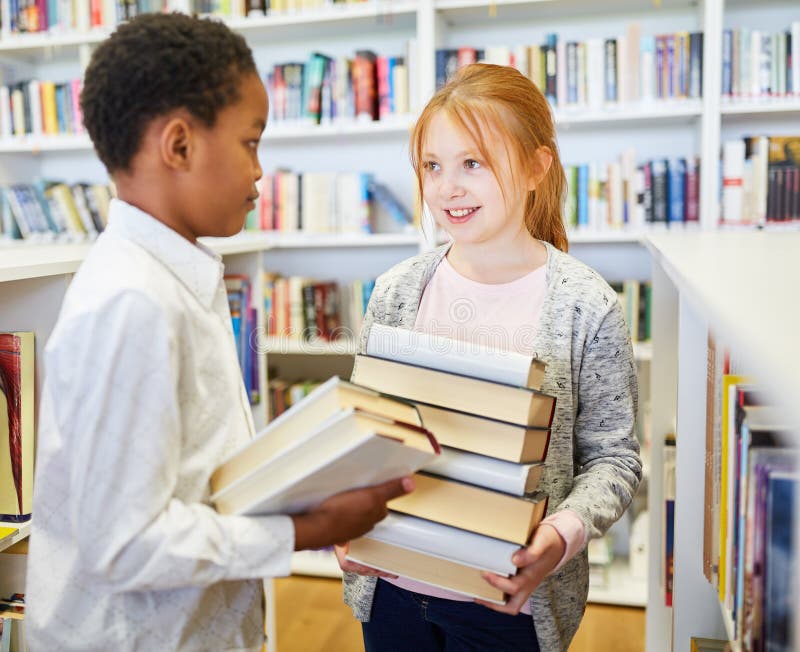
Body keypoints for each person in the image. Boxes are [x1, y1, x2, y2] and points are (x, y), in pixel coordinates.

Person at [25, 13, 412, 652]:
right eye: (251, 143)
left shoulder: (178, 276)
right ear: (179, 146)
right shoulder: (132, 302)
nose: (261, 173)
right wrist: (303, 531)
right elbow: (123, 546)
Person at [336, 63, 642, 652]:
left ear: (536, 166)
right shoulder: (398, 290)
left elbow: (613, 460)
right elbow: (365, 435)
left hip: (508, 608)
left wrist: (560, 536)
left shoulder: (585, 305)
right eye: (432, 166)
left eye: (472, 163)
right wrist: (343, 513)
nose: (447, 187)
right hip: (393, 592)